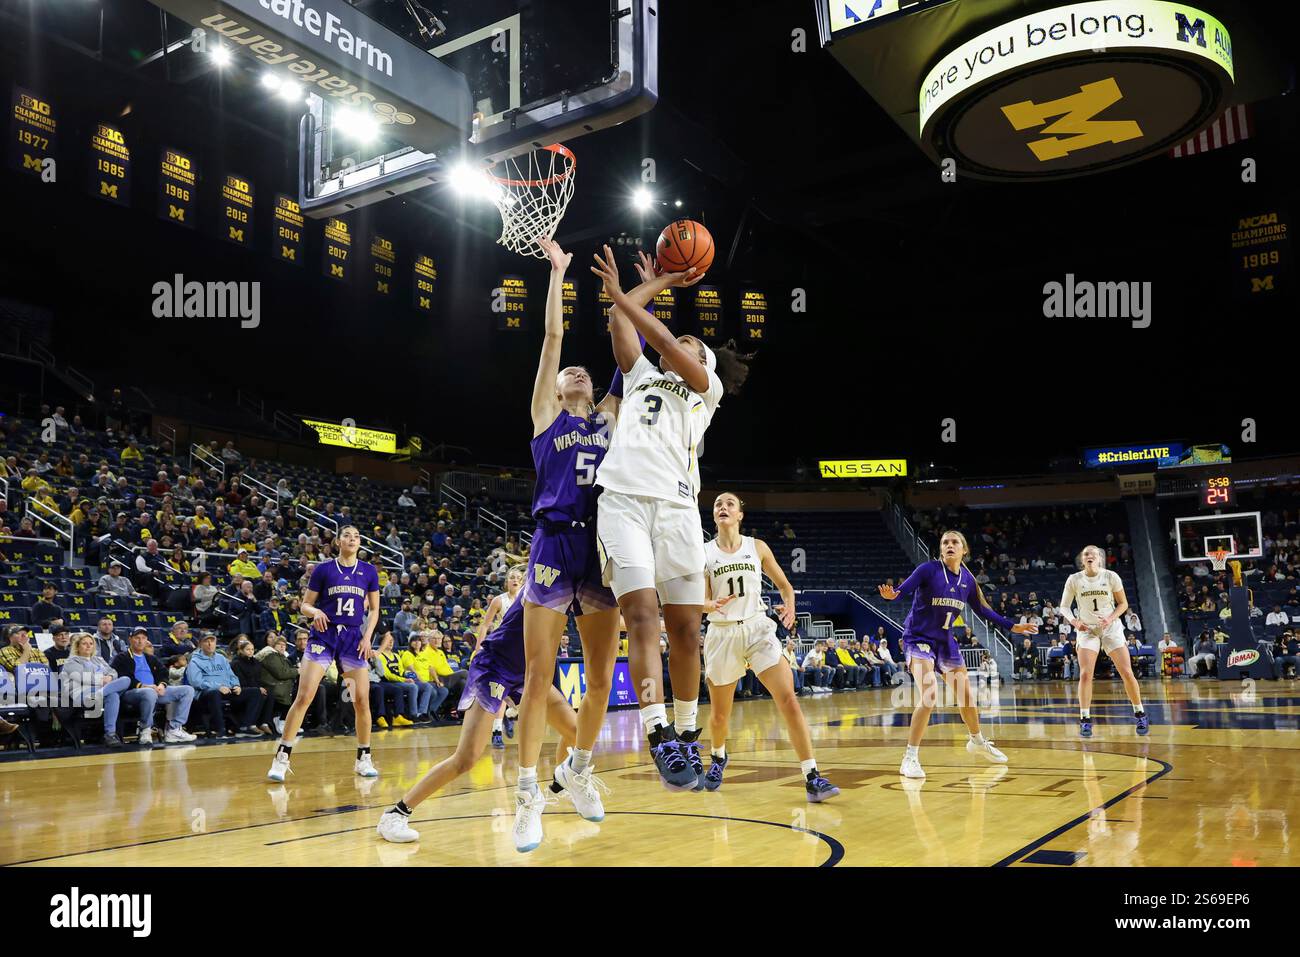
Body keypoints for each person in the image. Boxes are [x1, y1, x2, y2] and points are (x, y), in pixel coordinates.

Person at [587, 244, 751, 797]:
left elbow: (653, 333)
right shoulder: (637, 378)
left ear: (702, 360)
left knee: (685, 630)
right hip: (624, 501)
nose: (678, 343)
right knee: (642, 616)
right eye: (676, 340)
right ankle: (658, 732)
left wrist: (631, 299)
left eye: (690, 343)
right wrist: (653, 283)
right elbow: (623, 323)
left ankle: (686, 730)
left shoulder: (707, 388)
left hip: (679, 508)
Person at [508, 237, 627, 853]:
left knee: (603, 677)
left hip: (601, 552)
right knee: (538, 675)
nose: (574, 371)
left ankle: (578, 768)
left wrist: (625, 301)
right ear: (556, 389)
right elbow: (552, 341)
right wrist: (558, 274)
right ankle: (528, 793)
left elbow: (624, 365)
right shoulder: (545, 419)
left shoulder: (607, 419)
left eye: (583, 374)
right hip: (554, 546)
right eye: (566, 374)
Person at [375, 600, 585, 846]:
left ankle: (560, 786)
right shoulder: (547, 576)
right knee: (466, 758)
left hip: (526, 672)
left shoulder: (579, 588)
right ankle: (396, 814)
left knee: (577, 731)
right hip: (495, 667)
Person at [698, 492, 838, 799]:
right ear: (714, 515)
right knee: (720, 716)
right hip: (722, 633)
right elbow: (701, 602)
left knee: (788, 698)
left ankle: (812, 775)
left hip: (758, 628)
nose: (723, 507)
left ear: (740, 515)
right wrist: (710, 604)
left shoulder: (756, 547)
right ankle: (719, 756)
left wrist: (789, 606)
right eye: (718, 504)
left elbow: (785, 587)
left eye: (729, 504)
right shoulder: (704, 552)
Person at [879, 530, 1038, 779]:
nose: (949, 545)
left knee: (966, 696)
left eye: (955, 542)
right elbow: (903, 589)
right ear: (941, 550)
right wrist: (893, 594)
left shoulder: (968, 580)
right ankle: (909, 758)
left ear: (964, 550)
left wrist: (1012, 625)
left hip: (945, 642)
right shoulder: (928, 570)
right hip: (918, 639)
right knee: (929, 694)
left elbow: (984, 610)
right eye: (945, 542)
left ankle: (977, 740)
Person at [268, 526, 381, 782]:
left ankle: (363, 757)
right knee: (305, 695)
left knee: (361, 700)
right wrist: (315, 612)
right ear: (338, 541)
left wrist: (366, 637)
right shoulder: (324, 569)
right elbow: (305, 604)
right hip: (324, 636)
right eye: (347, 535)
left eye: (356, 536)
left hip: (353, 639)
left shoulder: (368, 571)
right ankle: (282, 757)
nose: (352, 539)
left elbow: (374, 610)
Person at [1059, 546, 1148, 737]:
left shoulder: (1111, 576)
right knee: (1085, 674)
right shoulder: (1074, 579)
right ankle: (1085, 719)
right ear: (1082, 560)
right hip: (1087, 630)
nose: (1089, 556)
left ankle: (1140, 713)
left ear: (1100, 558)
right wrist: (1075, 622)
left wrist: (1110, 618)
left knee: (1126, 671)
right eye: (1085, 554)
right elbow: (1064, 607)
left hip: (1111, 627)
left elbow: (1123, 604)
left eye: (1093, 553)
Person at [110, 628, 197, 744]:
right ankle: (145, 729)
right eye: (137, 638)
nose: (140, 641)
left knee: (188, 690)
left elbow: (163, 673)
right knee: (149, 692)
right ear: (130, 639)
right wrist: (144, 686)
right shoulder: (122, 657)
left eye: (143, 638)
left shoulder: (151, 658)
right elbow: (122, 677)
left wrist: (162, 685)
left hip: (155, 691)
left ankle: (174, 729)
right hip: (131, 693)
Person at [478, 564, 525, 745]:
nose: (514, 580)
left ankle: (510, 713)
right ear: (506, 582)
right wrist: (478, 648)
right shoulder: (499, 600)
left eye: (518, 578)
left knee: (518, 692)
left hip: (520, 650)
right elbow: (485, 625)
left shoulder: (526, 600)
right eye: (511, 577)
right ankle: (497, 731)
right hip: (500, 649)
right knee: (500, 689)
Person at [62, 632, 133, 747]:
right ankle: (110, 733)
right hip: (82, 694)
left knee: (125, 681)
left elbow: (113, 672)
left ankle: (110, 734)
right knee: (113, 693)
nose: (88, 646)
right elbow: (82, 677)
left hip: (101, 691)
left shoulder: (98, 659)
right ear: (77, 646)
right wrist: (102, 680)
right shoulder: (71, 661)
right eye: (84, 643)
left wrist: (109, 677)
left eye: (91, 643)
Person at [230, 635, 275, 736]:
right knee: (257, 692)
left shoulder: (256, 662)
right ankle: (249, 725)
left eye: (252, 649)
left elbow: (259, 679)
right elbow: (240, 682)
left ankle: (264, 722)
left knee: (270, 693)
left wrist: (261, 687)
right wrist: (258, 688)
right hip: (241, 690)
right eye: (247, 649)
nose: (250, 651)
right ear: (241, 650)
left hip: (254, 688)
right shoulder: (236, 663)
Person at [398, 635, 448, 721]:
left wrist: (437, 681)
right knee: (432, 691)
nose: (417, 643)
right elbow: (413, 671)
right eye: (414, 641)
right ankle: (421, 713)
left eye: (419, 641)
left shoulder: (423, 654)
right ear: (410, 643)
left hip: (428, 681)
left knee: (444, 691)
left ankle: (431, 711)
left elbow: (431, 668)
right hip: (415, 680)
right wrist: (423, 681)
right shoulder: (407, 654)